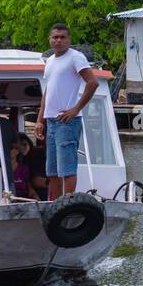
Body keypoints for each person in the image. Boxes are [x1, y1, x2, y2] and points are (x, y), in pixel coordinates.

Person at [35, 23, 97, 201]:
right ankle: (55, 204)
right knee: (53, 170)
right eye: (55, 37)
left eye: (63, 37)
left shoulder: (76, 57)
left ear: (69, 39)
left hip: (67, 121)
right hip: (51, 121)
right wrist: (40, 119)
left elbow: (92, 83)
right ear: (50, 39)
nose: (58, 40)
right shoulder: (50, 61)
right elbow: (48, 91)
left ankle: (67, 204)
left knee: (67, 169)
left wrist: (75, 109)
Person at [16, 133, 47, 200]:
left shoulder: (38, 153)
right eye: (19, 146)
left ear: (29, 143)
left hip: (43, 188)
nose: (22, 148)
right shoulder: (17, 159)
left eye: (24, 144)